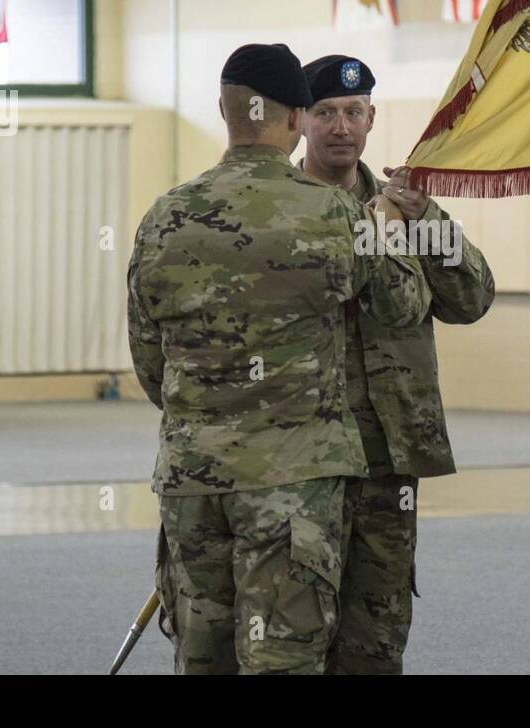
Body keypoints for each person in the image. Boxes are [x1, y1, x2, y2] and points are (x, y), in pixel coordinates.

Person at [126, 43, 430, 674]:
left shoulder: (165, 216)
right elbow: (402, 307)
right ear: (295, 118)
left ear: (224, 110)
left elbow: (149, 361)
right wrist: (390, 226)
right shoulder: (333, 211)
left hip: (192, 481)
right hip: (293, 485)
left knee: (202, 656)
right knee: (282, 659)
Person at [296, 54, 495, 674]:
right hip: (304, 455)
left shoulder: (403, 211)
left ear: (372, 119)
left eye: (353, 112)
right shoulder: (286, 210)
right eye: (325, 112)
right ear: (300, 120)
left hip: (388, 453)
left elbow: (472, 300)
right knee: (296, 629)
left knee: (376, 634)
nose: (341, 127)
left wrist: (426, 216)